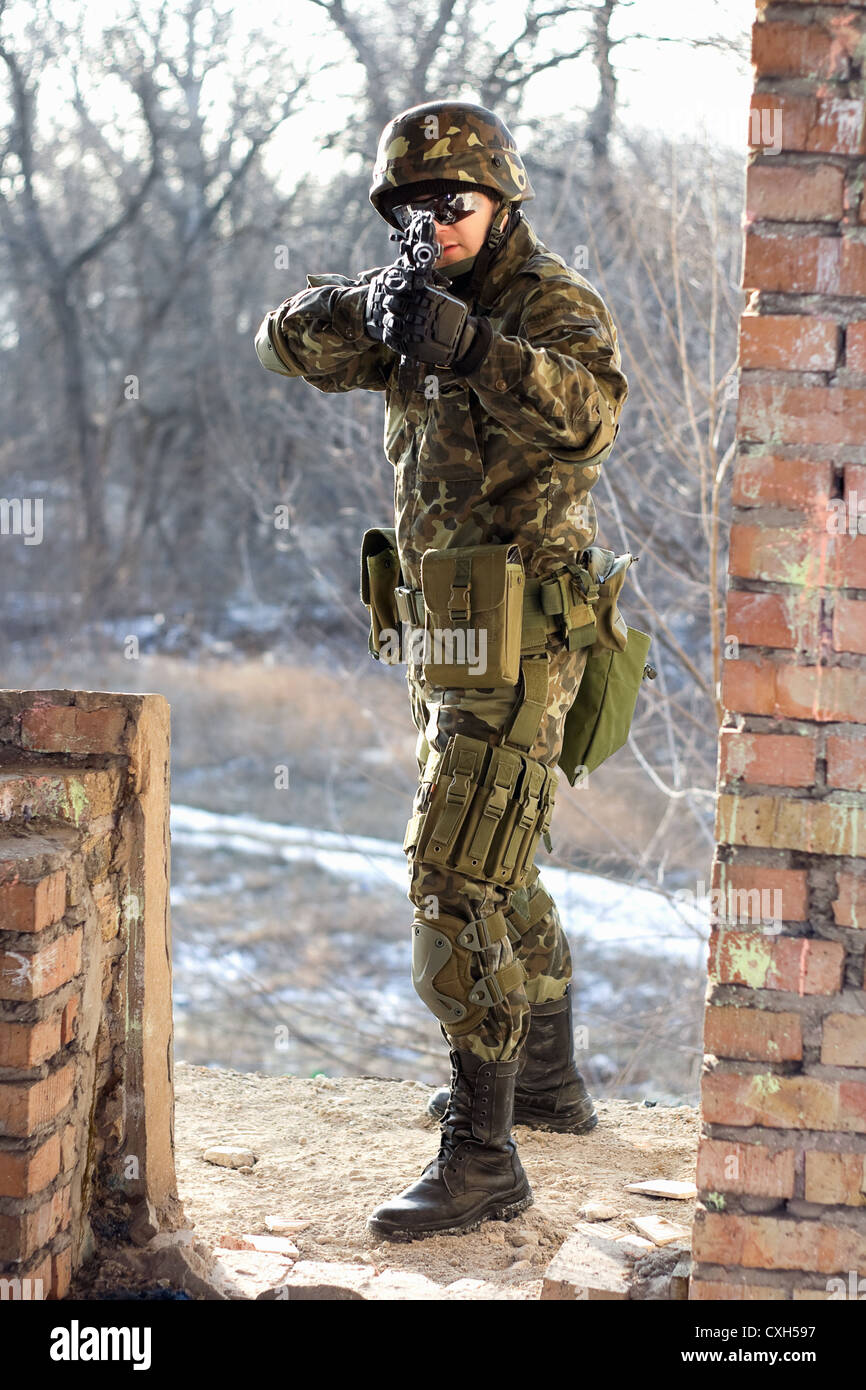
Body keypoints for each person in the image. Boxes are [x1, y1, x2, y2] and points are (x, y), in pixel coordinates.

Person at [254, 99, 629, 1242]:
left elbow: (591, 417)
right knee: (500, 862)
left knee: (451, 877)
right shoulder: (411, 298)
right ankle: (550, 1088)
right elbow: (283, 344)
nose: (435, 223)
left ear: (499, 199)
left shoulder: (543, 300)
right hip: (443, 635)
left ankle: (483, 1154)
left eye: (452, 205)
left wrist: (472, 349)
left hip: (522, 638)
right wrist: (359, 306)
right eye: (411, 210)